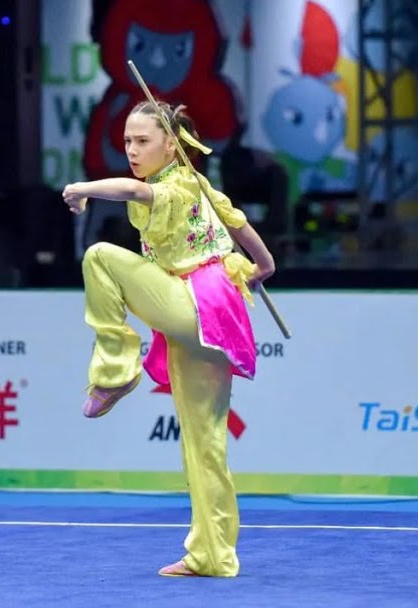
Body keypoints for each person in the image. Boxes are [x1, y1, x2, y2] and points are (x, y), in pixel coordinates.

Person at [61, 100, 276, 578]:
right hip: (213, 324)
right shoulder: (201, 188)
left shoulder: (177, 184)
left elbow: (131, 191)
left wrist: (81, 188)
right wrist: (263, 266)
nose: (133, 151)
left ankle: (116, 372)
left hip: (194, 305)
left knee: (99, 256)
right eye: (127, 143)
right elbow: (238, 225)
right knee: (203, 446)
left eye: (142, 141)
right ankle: (213, 556)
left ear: (171, 144)